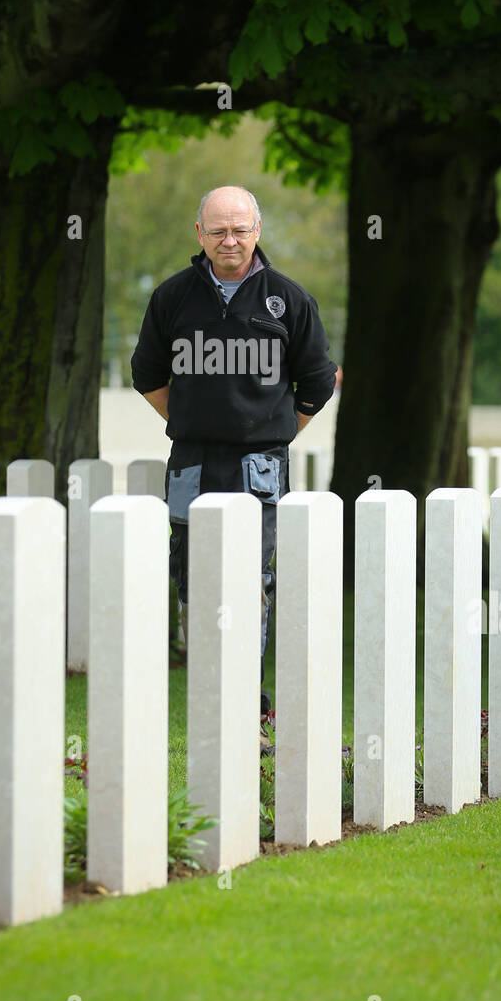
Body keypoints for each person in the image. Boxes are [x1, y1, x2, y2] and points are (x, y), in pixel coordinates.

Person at [130, 185, 337, 750]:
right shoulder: (172, 298)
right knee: (194, 585)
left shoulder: (288, 300)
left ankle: (247, 707)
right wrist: (193, 419)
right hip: (193, 464)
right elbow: (146, 373)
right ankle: (211, 702)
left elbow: (318, 382)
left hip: (259, 470)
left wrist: (274, 433)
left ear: (257, 231)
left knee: (254, 586)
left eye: (240, 229)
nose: (230, 240)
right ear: (199, 233)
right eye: (218, 230)